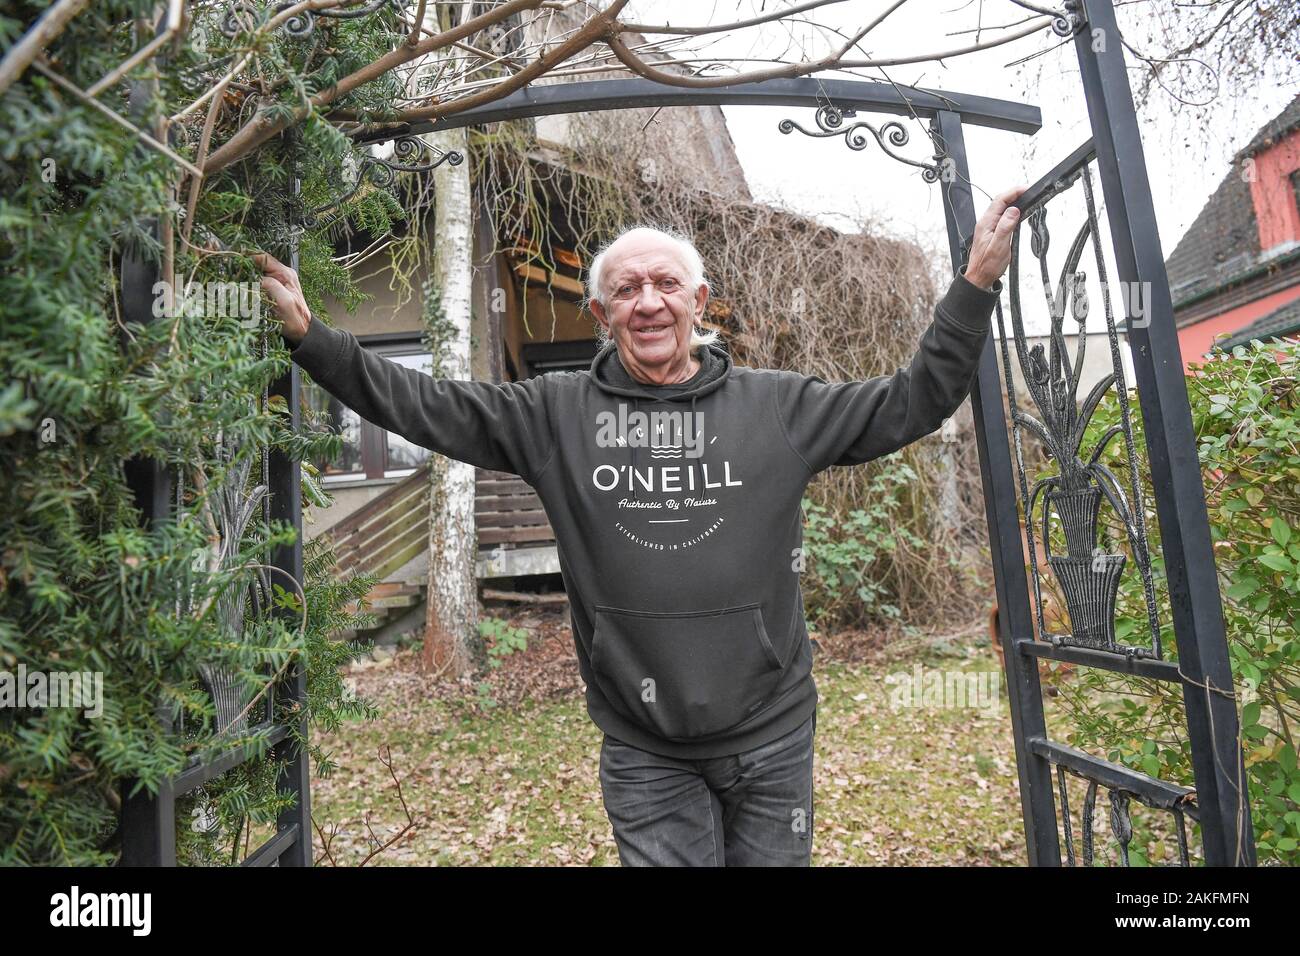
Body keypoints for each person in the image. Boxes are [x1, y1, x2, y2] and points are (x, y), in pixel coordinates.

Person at [258, 185, 1025, 866]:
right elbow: (424, 406)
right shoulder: (554, 415)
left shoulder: (780, 407)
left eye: (665, 284)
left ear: (699, 298)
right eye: (626, 290)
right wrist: (311, 339)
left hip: (772, 734)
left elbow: (916, 400)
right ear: (600, 313)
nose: (648, 302)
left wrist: (975, 286)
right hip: (644, 749)